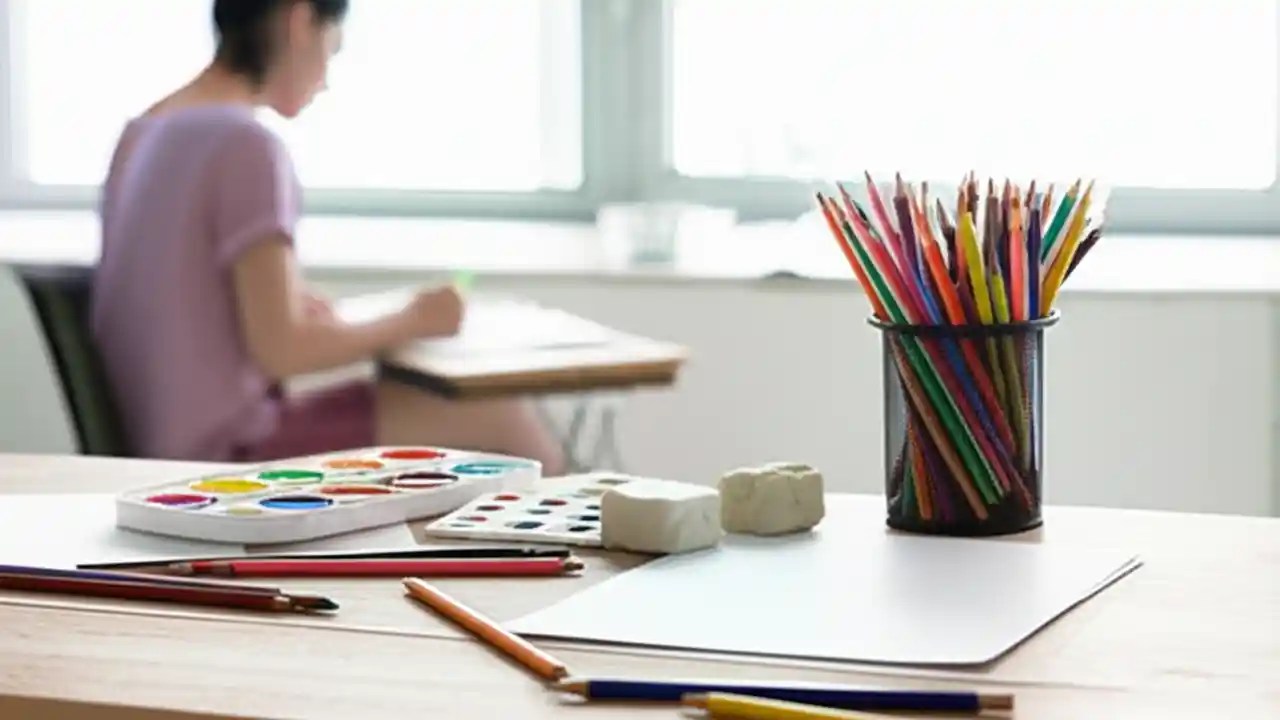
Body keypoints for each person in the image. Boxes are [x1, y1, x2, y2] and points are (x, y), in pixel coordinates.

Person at [92, 0, 564, 473]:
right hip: (227, 454)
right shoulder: (244, 144)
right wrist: (415, 320)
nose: (325, 80)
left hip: (158, 447)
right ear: (301, 21)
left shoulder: (143, 132)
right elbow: (283, 350)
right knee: (500, 415)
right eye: (332, 47)